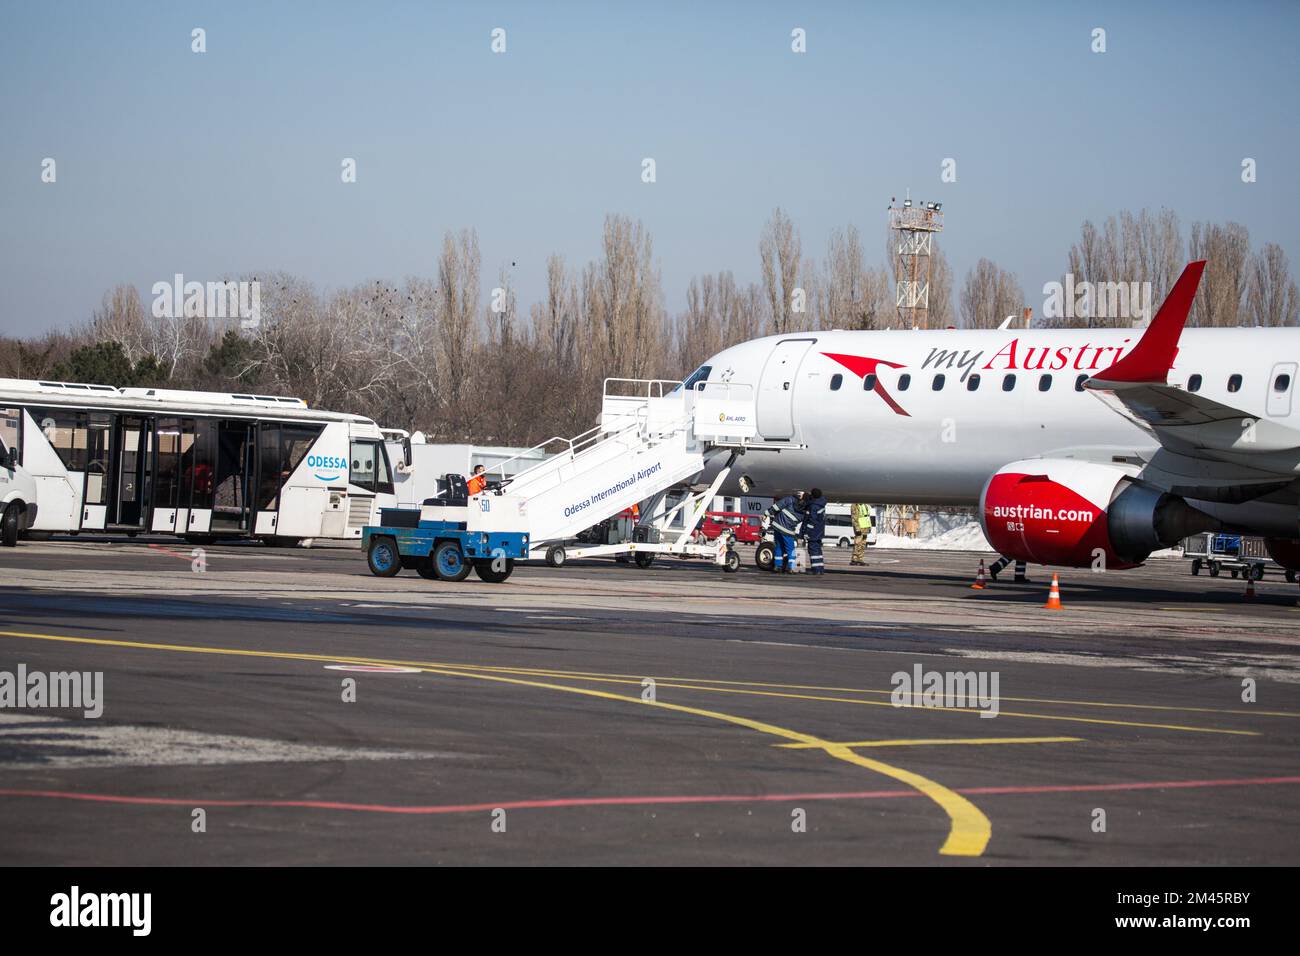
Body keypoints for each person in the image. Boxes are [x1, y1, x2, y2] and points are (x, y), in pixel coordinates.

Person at [765, 492, 806, 573]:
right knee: (790, 550)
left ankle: (777, 566)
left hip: (777, 526)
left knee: (779, 547)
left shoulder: (789, 499)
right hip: (788, 531)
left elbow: (777, 506)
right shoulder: (803, 512)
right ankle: (791, 567)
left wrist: (767, 513)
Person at [801, 488, 828, 575]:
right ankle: (820, 569)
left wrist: (806, 532)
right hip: (819, 531)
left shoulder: (813, 506)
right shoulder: (821, 503)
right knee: (818, 551)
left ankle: (816, 569)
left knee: (813, 550)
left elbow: (811, 521)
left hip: (813, 532)